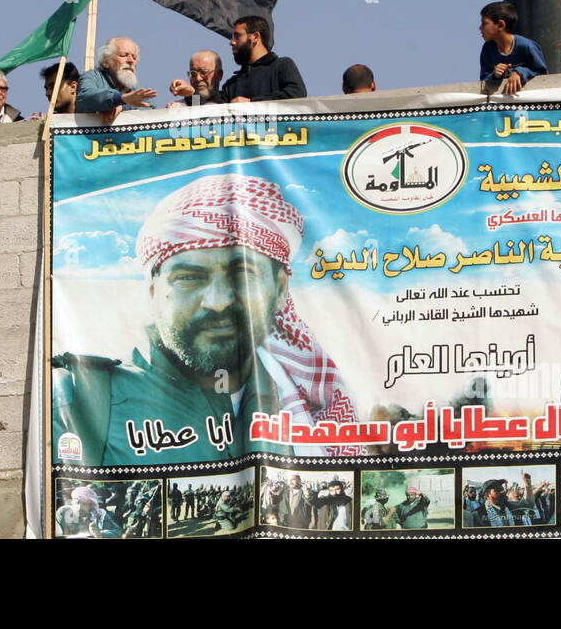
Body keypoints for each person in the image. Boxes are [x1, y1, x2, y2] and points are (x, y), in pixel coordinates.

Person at [51, 173, 360, 465]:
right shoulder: (81, 398)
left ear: (279, 289)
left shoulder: (302, 401)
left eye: (243, 274)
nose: (218, 302)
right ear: (154, 292)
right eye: (189, 277)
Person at [220, 16, 307, 102]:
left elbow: (296, 94)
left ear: (255, 37)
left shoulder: (282, 66)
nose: (232, 42)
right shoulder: (231, 85)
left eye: (237, 36)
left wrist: (251, 103)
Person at [74, 37, 157, 124]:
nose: (131, 60)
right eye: (124, 55)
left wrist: (123, 106)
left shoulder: (138, 89)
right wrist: (117, 99)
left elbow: (151, 113)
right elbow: (85, 98)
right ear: (106, 61)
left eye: (134, 57)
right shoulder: (92, 77)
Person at [477, 2, 547, 95]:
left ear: (501, 25)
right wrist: (494, 75)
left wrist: (519, 72)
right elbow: (483, 81)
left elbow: (542, 74)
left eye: (484, 23)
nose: (480, 28)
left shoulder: (527, 46)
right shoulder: (488, 50)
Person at [55, 484, 120, 538]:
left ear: (91, 505)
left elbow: (118, 532)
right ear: (72, 502)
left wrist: (101, 534)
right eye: (77, 502)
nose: (80, 507)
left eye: (84, 503)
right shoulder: (63, 512)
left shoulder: (99, 515)